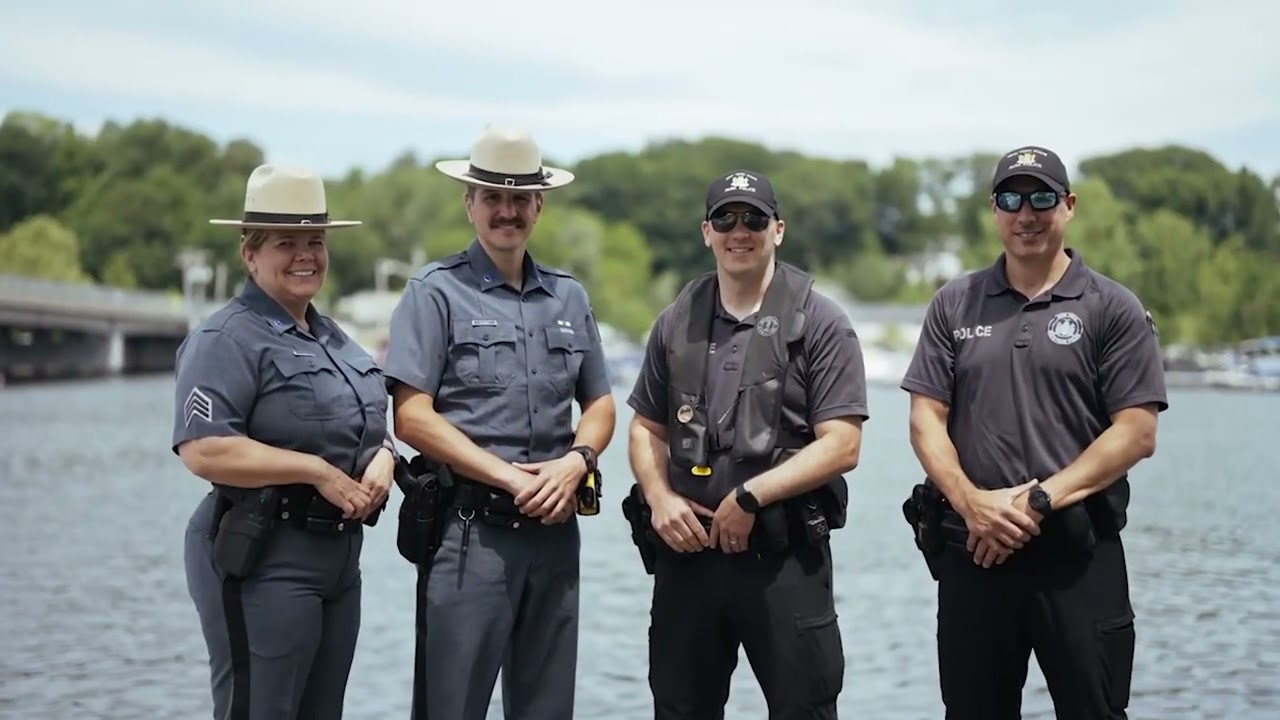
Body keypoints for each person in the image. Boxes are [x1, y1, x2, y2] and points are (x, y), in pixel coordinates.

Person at [899, 145, 1168, 719]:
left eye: (1042, 197)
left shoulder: (1111, 308)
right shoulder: (954, 303)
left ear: (1067, 206)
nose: (1027, 214)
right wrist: (972, 504)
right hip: (975, 554)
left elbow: (1136, 432)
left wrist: (1036, 502)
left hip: (1077, 558)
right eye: (1011, 199)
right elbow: (925, 421)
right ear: (994, 210)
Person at [382, 124, 616, 720]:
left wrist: (576, 461)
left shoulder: (569, 297)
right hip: (470, 536)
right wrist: (511, 479)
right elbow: (411, 417)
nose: (506, 211)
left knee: (546, 709)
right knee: (451, 707)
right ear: (470, 203)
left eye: (520, 199)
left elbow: (600, 405)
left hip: (556, 533)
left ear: (539, 205)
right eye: (493, 197)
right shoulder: (434, 293)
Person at [624, 169, 868, 719]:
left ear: (777, 230)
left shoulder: (822, 322)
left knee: (804, 708)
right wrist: (660, 499)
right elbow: (643, 428)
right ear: (705, 232)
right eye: (725, 219)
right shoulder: (673, 324)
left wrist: (750, 498)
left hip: (783, 562)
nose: (740, 231)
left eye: (754, 218)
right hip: (687, 563)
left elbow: (843, 444)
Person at [173, 164, 396, 720]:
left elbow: (365, 420)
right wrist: (317, 471)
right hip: (263, 551)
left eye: (314, 241)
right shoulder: (226, 339)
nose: (305, 255)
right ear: (250, 253)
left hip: (339, 557)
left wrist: (387, 456)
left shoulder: (333, 337)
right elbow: (204, 450)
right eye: (285, 242)